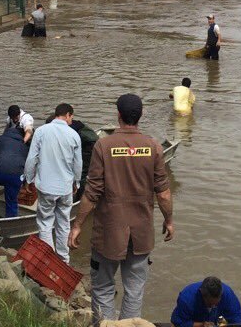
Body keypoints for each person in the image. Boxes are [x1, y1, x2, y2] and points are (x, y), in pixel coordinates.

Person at [69, 94, 174, 324]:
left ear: (118, 115)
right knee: (134, 291)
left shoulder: (103, 146)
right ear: (141, 115)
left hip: (108, 233)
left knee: (104, 288)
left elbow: (91, 193)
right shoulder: (153, 147)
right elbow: (164, 193)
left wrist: (77, 226)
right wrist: (169, 221)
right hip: (141, 234)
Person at [23, 102, 81, 263]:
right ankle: (64, 260)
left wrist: (28, 179)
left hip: (46, 188)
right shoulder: (74, 135)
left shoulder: (41, 132)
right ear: (68, 115)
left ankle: (48, 261)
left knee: (45, 223)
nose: (71, 121)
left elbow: (31, 159)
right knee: (64, 223)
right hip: (65, 188)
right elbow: (78, 164)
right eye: (71, 117)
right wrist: (76, 182)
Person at [171, 277, 241, 327]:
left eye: (216, 304)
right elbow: (178, 322)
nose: (213, 306)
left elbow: (236, 318)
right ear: (201, 293)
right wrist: (201, 325)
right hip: (195, 319)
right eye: (210, 304)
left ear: (221, 294)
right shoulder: (186, 299)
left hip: (217, 318)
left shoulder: (228, 294)